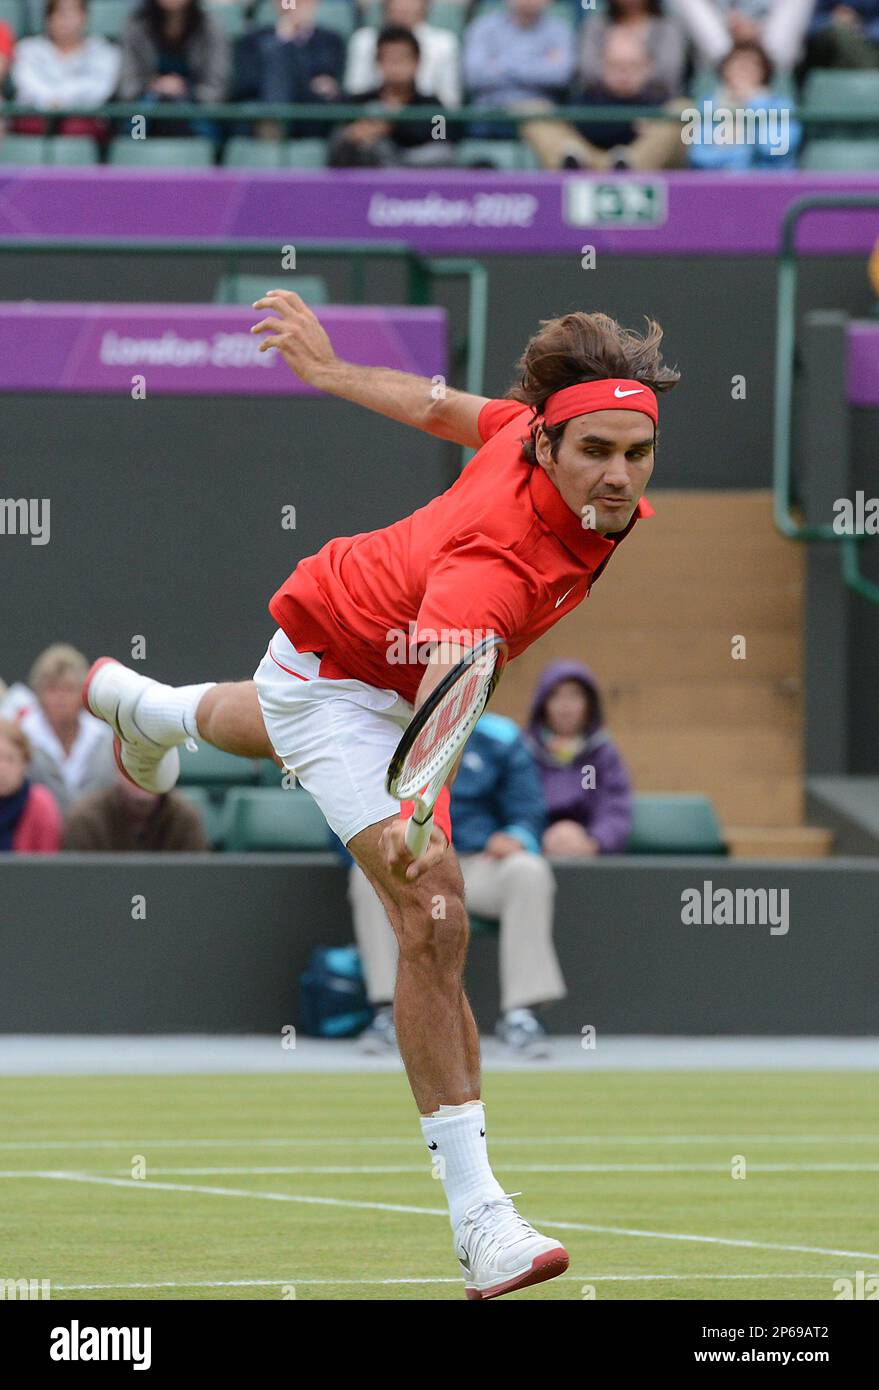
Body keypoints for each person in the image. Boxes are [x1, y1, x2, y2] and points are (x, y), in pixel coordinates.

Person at [83, 298, 679, 1300]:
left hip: (358, 645)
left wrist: (333, 371)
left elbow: (449, 407)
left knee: (262, 717)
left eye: (637, 451)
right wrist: (419, 806)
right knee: (435, 913)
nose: (618, 474)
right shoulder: (493, 559)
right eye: (597, 452)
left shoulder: (534, 440)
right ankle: (480, 1218)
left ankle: (142, 706)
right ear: (550, 442)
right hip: (345, 673)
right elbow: (453, 689)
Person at [351, 711, 563, 1058]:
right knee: (365, 875)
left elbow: (528, 810)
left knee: (529, 872)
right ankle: (387, 1013)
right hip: (408, 864)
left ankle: (521, 1016)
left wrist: (517, 836)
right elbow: (349, 813)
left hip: (478, 866)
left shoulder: (502, 737)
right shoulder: (380, 731)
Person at [523, 26, 689, 169]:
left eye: (632, 65)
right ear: (602, 67)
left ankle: (626, 167)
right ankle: (591, 167)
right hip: (587, 161)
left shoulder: (659, 98)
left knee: (683, 109)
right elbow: (585, 127)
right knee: (533, 109)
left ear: (648, 67)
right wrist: (633, 124)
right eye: (615, 65)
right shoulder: (589, 94)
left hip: (639, 168)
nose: (624, 73)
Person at [526, 661, 634, 857]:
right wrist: (534, 840)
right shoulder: (523, 753)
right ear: (543, 705)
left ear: (589, 706)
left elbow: (614, 808)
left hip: (592, 860)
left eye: (574, 696)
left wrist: (593, 842)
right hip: (534, 856)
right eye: (555, 696)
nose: (565, 706)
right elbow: (517, 808)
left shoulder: (604, 755)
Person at [329, 26, 448, 167]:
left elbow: (440, 139)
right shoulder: (357, 103)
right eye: (390, 58)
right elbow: (339, 137)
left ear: (417, 62)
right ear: (378, 62)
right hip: (371, 177)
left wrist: (390, 126)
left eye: (403, 58)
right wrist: (355, 133)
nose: (396, 65)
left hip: (417, 174)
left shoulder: (432, 106)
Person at [21, 644, 116, 817]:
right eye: (52, 689)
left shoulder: (104, 738)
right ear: (39, 693)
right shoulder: (22, 737)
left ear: (82, 694)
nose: (61, 698)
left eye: (68, 689)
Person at [232, 0, 344, 137]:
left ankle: (274, 124)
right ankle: (273, 124)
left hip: (310, 110)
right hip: (262, 106)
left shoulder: (331, 41)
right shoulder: (251, 40)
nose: (296, 5)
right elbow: (246, 84)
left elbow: (330, 84)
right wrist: (282, 40)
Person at [685, 39, 801, 168]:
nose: (743, 71)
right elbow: (698, 155)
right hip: (716, 183)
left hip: (767, 183)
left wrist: (754, 103)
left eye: (751, 66)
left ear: (764, 71)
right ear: (725, 70)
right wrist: (742, 153)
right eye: (737, 65)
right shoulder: (708, 104)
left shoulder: (781, 105)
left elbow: (773, 147)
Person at [12, 0, 120, 139]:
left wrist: (61, 101)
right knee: (30, 124)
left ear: (85, 16)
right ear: (47, 18)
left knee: (77, 126)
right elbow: (27, 83)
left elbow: (100, 88)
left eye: (72, 13)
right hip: (36, 118)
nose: (66, 20)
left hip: (83, 118)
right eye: (59, 13)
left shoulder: (102, 51)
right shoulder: (28, 48)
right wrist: (51, 101)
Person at [462, 0, 575, 129]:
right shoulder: (483, 27)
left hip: (541, 110)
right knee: (538, 117)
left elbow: (560, 76)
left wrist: (502, 65)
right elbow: (474, 76)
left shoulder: (560, 30)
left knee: (537, 113)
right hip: (492, 113)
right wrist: (538, 64)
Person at [119, 0, 229, 128]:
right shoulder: (136, 24)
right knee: (136, 125)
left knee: (202, 125)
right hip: (145, 107)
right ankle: (134, 146)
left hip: (197, 110)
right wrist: (154, 86)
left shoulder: (210, 26)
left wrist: (186, 89)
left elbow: (217, 89)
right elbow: (127, 87)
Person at [345, 0, 462, 108]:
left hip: (426, 121)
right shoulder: (363, 39)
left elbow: (449, 104)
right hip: (373, 117)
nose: (403, 5)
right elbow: (355, 91)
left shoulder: (445, 42)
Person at [63, 770, 209, 851]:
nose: (142, 774)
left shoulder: (186, 819)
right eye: (135, 761)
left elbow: (196, 887)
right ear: (117, 765)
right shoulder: (86, 820)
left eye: (154, 762)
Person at [668, 0, 816, 72]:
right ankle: (729, 63)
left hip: (771, 49)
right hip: (719, 48)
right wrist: (729, 23)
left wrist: (757, 28)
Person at [0, 719, 63, 854]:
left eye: (10, 759)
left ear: (24, 763)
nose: (2, 768)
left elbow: (47, 863)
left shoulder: (40, 804)